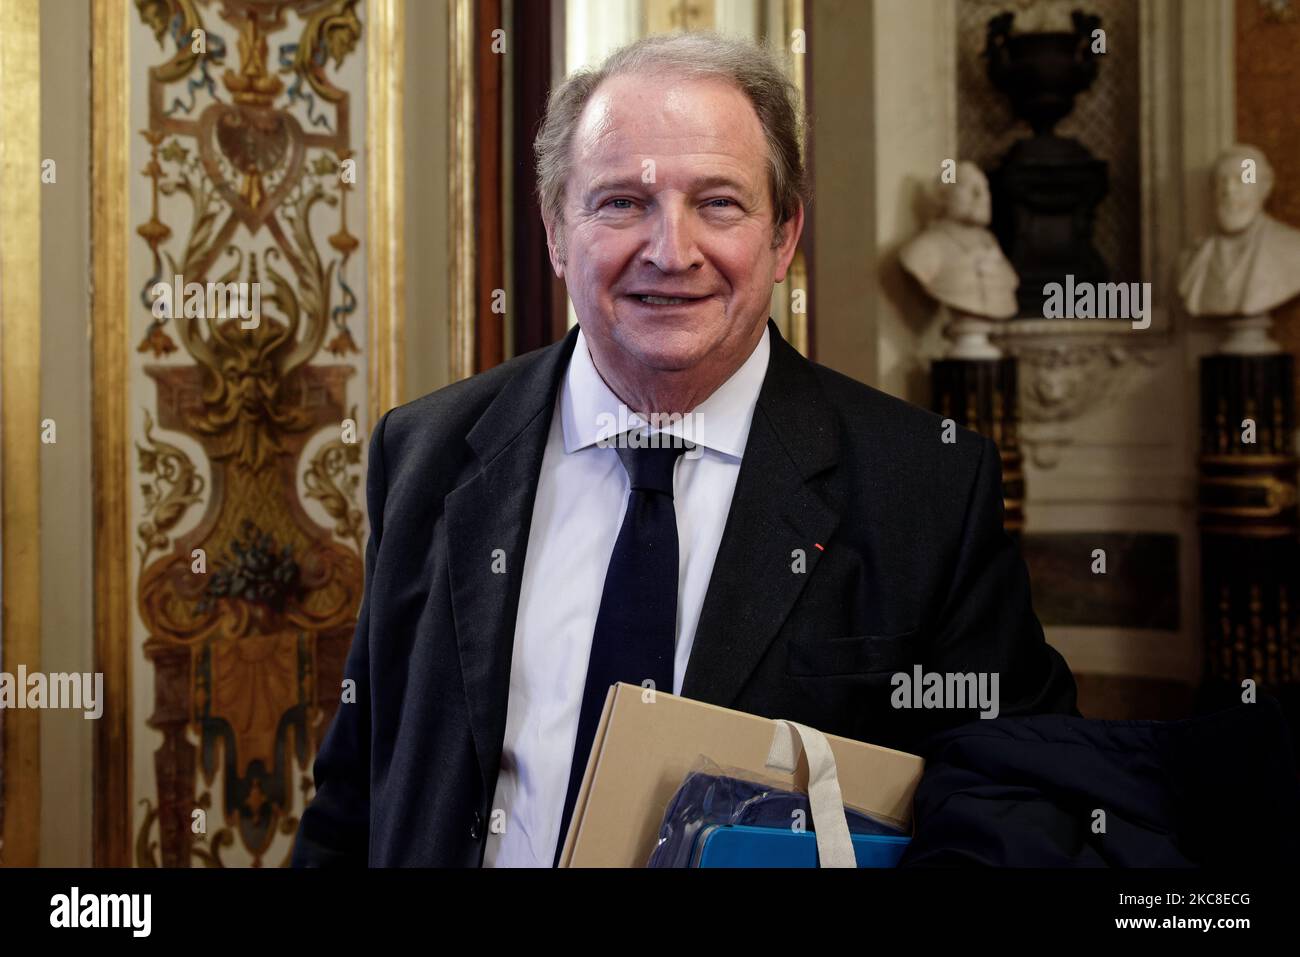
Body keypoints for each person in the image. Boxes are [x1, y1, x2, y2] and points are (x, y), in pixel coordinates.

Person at [292, 32, 1077, 869]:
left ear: (783, 237)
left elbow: (1016, 805)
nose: (672, 252)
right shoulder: (423, 454)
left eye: (720, 203)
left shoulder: (926, 489)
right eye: (622, 202)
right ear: (558, 229)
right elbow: (355, 802)